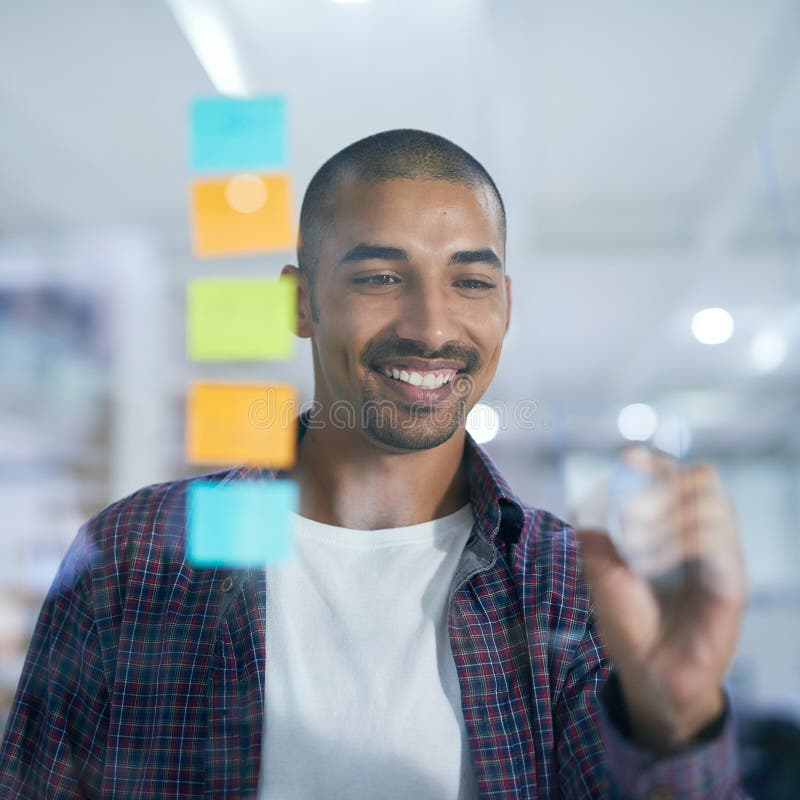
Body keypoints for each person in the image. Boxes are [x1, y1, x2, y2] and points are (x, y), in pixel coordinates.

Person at [0, 129, 748, 798]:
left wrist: (675, 725)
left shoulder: (567, 582)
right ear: (300, 305)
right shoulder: (138, 556)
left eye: (471, 281)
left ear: (506, 307)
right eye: (380, 277)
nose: (431, 325)